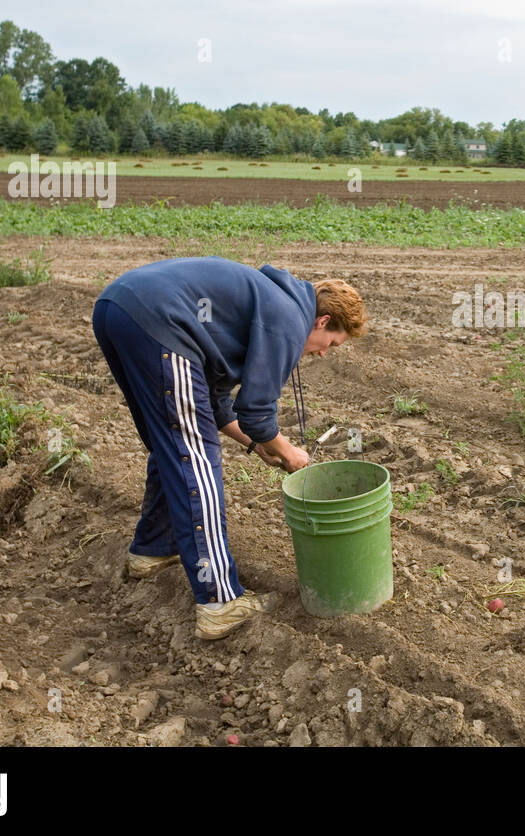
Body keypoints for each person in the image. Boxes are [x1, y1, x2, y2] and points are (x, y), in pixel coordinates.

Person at [91, 257, 368, 640]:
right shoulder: (290, 318)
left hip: (118, 308)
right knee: (196, 458)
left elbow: (217, 399)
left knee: (173, 442)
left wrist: (257, 446)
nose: (323, 353)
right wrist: (289, 453)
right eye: (331, 344)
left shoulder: (267, 302)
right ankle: (220, 601)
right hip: (157, 320)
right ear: (322, 322)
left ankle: (153, 548)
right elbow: (256, 411)